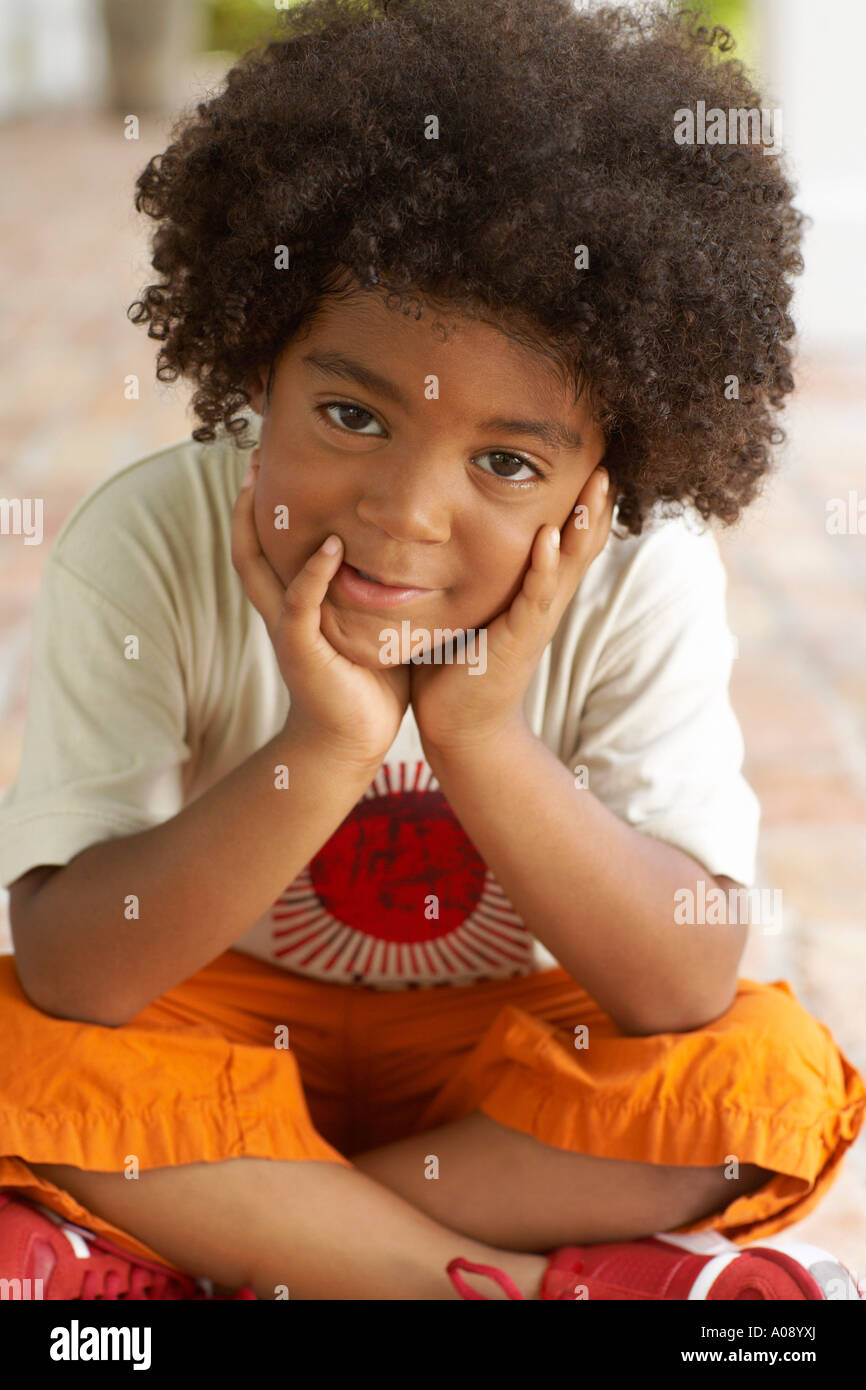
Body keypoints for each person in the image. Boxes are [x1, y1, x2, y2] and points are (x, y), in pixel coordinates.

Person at [0, 0, 863, 1301]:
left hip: (491, 1069)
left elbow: (680, 979)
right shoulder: (154, 538)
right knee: (20, 1044)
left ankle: (246, 1240)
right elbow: (76, 968)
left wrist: (479, 733)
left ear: (603, 479)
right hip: (218, 1027)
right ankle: (521, 1287)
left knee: (761, 1077)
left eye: (506, 461)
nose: (402, 513)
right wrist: (328, 739)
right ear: (256, 361)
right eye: (350, 412)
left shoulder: (643, 570)